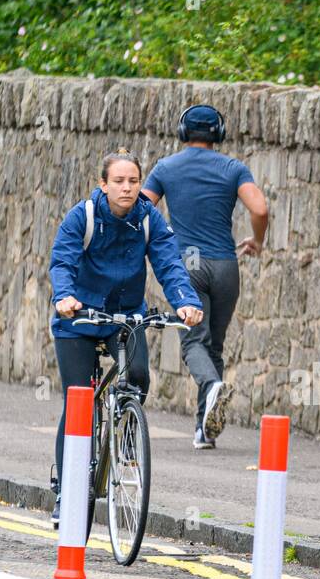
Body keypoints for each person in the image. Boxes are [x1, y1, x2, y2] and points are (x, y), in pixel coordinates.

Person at [47, 151, 203, 526]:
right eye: (119, 181)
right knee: (79, 403)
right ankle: (66, 489)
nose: (127, 187)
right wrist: (65, 297)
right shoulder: (82, 216)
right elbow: (62, 261)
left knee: (137, 377)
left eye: (133, 180)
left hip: (126, 317)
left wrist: (186, 302)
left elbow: (169, 263)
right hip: (80, 319)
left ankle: (125, 438)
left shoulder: (149, 218)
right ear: (104, 184)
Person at [142, 104, 269, 449]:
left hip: (188, 264)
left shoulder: (166, 167)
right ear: (219, 134)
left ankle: (211, 388)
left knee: (194, 341)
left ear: (183, 132)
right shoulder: (233, 168)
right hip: (226, 265)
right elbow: (259, 208)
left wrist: (159, 239)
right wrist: (257, 240)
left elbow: (142, 208)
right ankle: (205, 430)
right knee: (213, 343)